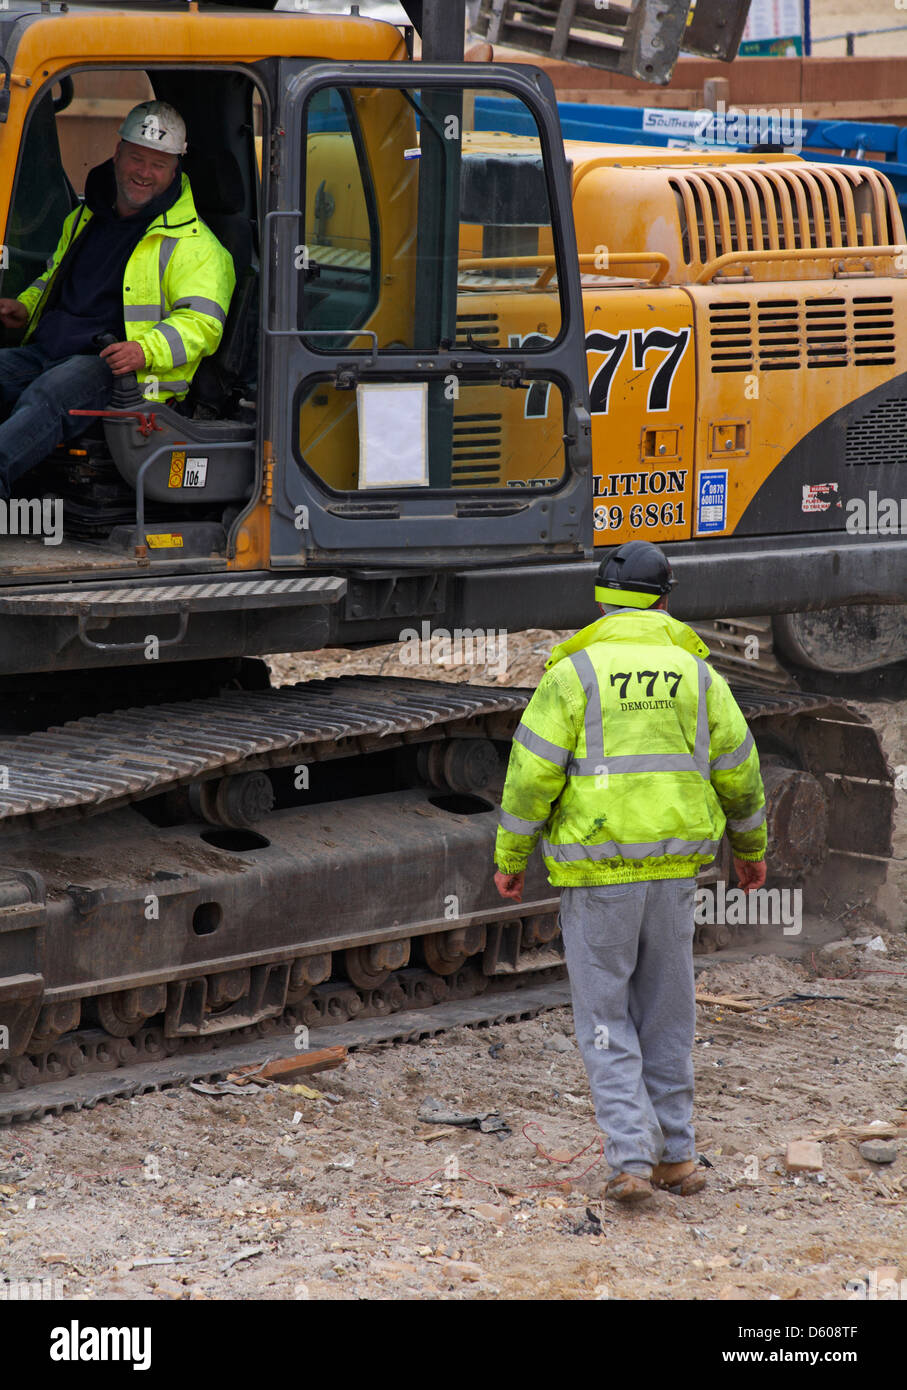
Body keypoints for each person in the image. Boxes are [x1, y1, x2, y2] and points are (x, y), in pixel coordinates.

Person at [493, 540, 767, 1203]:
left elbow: (531, 775)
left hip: (596, 877)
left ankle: (629, 1164)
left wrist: (510, 856)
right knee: (666, 1013)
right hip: (673, 875)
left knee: (605, 1018)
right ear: (665, 599)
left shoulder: (572, 673)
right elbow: (739, 768)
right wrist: (751, 849)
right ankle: (676, 1157)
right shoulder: (697, 674)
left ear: (600, 599)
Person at [0, 100, 235, 501]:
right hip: (50, 348)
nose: (144, 173)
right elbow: (52, 280)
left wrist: (144, 350)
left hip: (119, 369)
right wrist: (25, 305)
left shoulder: (198, 247)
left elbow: (202, 325)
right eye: (136, 158)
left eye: (158, 164)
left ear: (175, 169)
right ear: (117, 154)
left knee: (49, 395)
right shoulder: (83, 219)